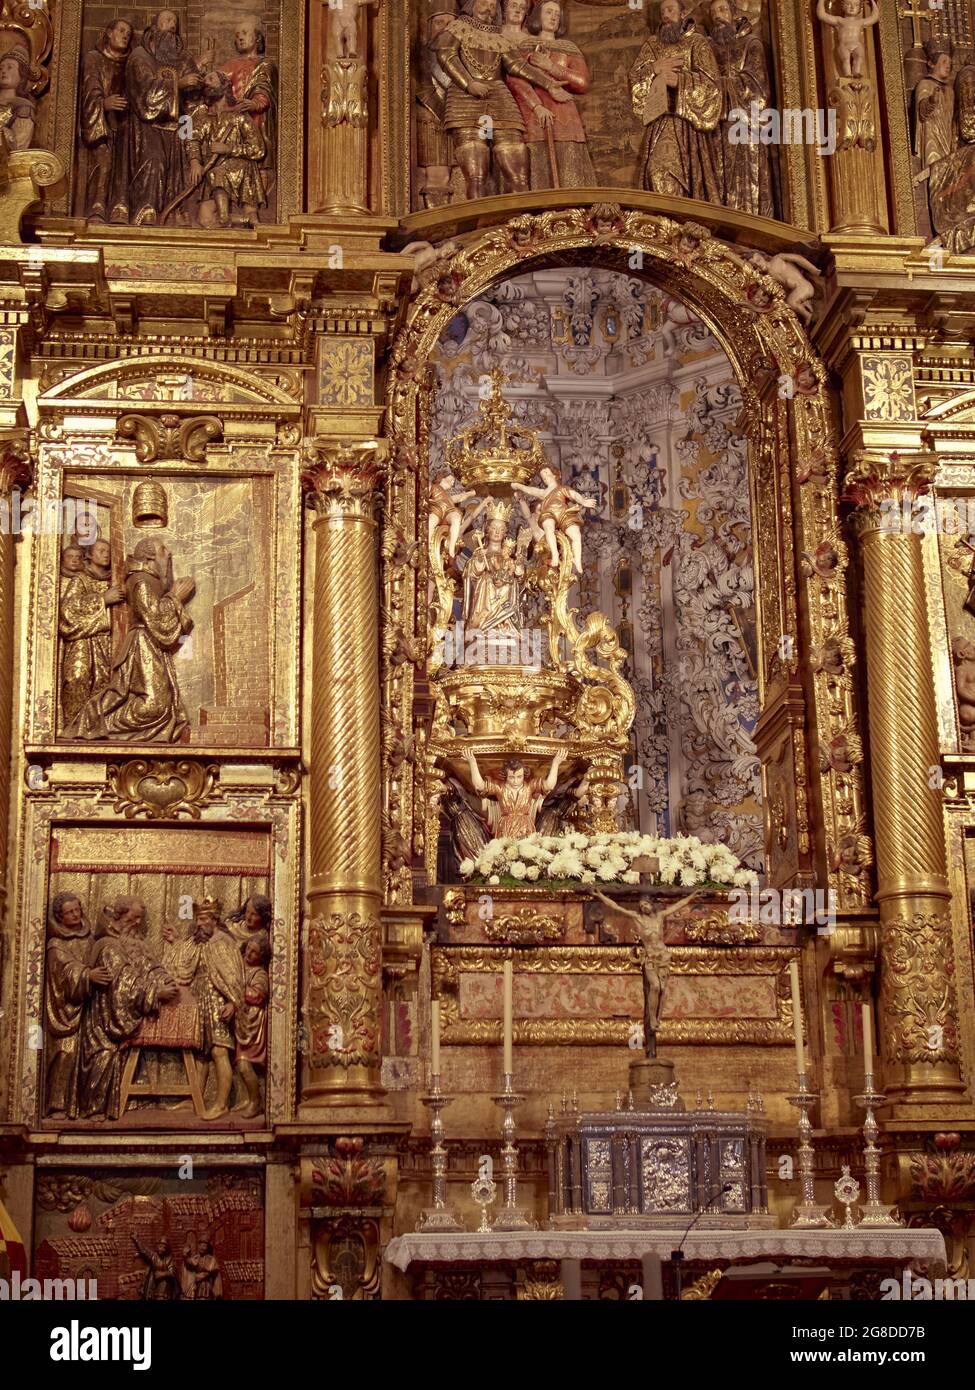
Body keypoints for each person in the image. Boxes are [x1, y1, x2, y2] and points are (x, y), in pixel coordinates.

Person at [434, 0, 572, 199]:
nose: (489, 7)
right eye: (484, 1)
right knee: (476, 173)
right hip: (466, 101)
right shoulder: (458, 28)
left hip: (499, 99)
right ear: (472, 4)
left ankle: (519, 223)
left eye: (492, 3)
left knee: (517, 169)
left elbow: (517, 65)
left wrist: (548, 84)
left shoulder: (499, 37)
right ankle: (481, 223)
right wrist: (468, 83)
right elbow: (446, 55)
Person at [66, 537, 194, 743]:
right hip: (143, 644)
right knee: (154, 705)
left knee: (159, 703)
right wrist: (175, 597)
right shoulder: (141, 581)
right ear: (151, 555)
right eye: (163, 549)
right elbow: (155, 618)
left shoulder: (150, 579)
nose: (168, 554)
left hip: (150, 643)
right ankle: (92, 722)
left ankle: (94, 721)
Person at [69, 897, 178, 1120]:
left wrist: (165, 980)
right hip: (104, 1020)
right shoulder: (109, 946)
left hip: (116, 1013)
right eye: (133, 918)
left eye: (140, 919)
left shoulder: (130, 944)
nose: (137, 923)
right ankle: (94, 1110)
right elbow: (124, 983)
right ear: (120, 916)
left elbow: (147, 967)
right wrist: (155, 994)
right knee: (103, 1057)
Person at [629, 0, 722, 201]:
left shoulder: (697, 43)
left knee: (681, 173)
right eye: (662, 11)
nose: (665, 15)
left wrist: (680, 81)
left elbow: (712, 85)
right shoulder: (652, 46)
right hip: (660, 121)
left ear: (682, 14)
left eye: (670, 10)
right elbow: (635, 78)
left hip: (688, 126)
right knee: (657, 169)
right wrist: (654, 69)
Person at [123, 10, 204, 226]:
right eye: (167, 21)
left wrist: (193, 154)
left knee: (181, 172)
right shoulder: (140, 57)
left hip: (178, 129)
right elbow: (146, 96)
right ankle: (146, 213)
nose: (172, 26)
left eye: (175, 22)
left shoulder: (184, 59)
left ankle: (174, 217)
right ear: (155, 27)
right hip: (147, 128)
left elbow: (190, 109)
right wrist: (179, 84)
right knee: (154, 163)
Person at [506, 1, 595, 190]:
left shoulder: (568, 47)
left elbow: (582, 82)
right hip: (533, 114)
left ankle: (575, 213)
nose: (554, 17)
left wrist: (551, 67)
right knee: (537, 168)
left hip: (565, 114)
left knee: (570, 169)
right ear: (538, 15)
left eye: (557, 13)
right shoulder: (526, 45)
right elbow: (516, 80)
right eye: (549, 12)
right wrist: (536, 106)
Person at [44, 892, 112, 1116]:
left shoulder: (89, 938)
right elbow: (62, 971)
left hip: (91, 1008)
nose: (75, 915)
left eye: (77, 910)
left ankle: (87, 1106)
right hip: (66, 1010)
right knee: (65, 1054)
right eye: (69, 912)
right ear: (59, 917)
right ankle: (57, 1105)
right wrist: (86, 976)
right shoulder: (55, 944)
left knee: (96, 1053)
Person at [708, 0, 774, 218]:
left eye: (722, 9)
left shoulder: (751, 43)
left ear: (733, 13)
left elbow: (758, 86)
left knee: (747, 177)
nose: (718, 16)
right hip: (715, 125)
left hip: (747, 123)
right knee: (717, 176)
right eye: (713, 12)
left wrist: (724, 85)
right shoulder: (706, 49)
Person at [185, 70, 267, 227]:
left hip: (240, 168)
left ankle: (224, 217)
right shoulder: (203, 117)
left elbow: (258, 148)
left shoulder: (239, 116)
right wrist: (195, 161)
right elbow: (192, 138)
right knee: (205, 220)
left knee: (217, 173)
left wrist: (228, 149)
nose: (206, 83)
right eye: (205, 81)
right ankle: (243, 220)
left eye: (211, 79)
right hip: (212, 168)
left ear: (224, 85)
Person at [58, 540, 124, 727]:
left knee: (103, 683)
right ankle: (72, 727)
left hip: (105, 642)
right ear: (89, 556)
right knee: (77, 677)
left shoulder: (114, 580)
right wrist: (102, 599)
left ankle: (93, 727)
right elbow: (68, 610)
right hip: (82, 640)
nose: (106, 554)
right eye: (101, 551)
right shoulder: (81, 580)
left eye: (109, 551)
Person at [189, 898, 244, 1120]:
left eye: (203, 919)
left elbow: (233, 977)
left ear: (214, 920)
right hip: (201, 1002)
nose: (199, 924)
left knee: (219, 1051)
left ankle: (221, 1104)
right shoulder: (202, 943)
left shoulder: (222, 942)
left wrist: (233, 1002)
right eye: (197, 920)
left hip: (218, 1003)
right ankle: (195, 1098)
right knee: (201, 1055)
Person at [80, 19, 133, 222]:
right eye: (121, 30)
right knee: (104, 161)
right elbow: (89, 89)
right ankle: (97, 206)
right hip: (102, 123)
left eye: (128, 32)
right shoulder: (94, 58)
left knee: (125, 163)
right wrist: (102, 104)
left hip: (125, 124)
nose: (125, 35)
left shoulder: (131, 63)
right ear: (109, 33)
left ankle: (120, 208)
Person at [462, 747, 567, 838]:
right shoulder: (500, 787)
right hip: (505, 828)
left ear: (524, 774)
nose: (515, 781)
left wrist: (556, 763)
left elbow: (549, 785)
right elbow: (479, 786)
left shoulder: (529, 786)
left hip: (526, 827)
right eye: (511, 777)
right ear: (505, 776)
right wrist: (472, 762)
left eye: (519, 777)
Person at [512, 464, 597, 573]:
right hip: (549, 514)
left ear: (556, 475)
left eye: (547, 473)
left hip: (563, 513)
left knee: (576, 535)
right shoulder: (544, 493)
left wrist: (583, 501)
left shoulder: (562, 488)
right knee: (549, 528)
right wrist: (518, 486)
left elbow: (574, 495)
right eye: (543, 476)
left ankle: (577, 560)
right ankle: (555, 554)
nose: (545, 476)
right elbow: (530, 490)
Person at [234, 931, 270, 1118]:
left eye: (254, 952)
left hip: (253, 1026)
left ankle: (256, 1102)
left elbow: (258, 995)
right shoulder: (240, 965)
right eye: (249, 949)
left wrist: (239, 990)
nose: (249, 954)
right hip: (242, 1024)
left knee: (244, 1064)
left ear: (261, 956)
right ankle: (248, 1099)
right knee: (241, 1064)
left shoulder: (260, 974)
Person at [0, 46, 36, 151]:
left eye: (9, 67)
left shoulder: (23, 106)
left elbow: (19, 145)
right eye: (0, 68)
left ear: (21, 74)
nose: (3, 71)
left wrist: (5, 134)